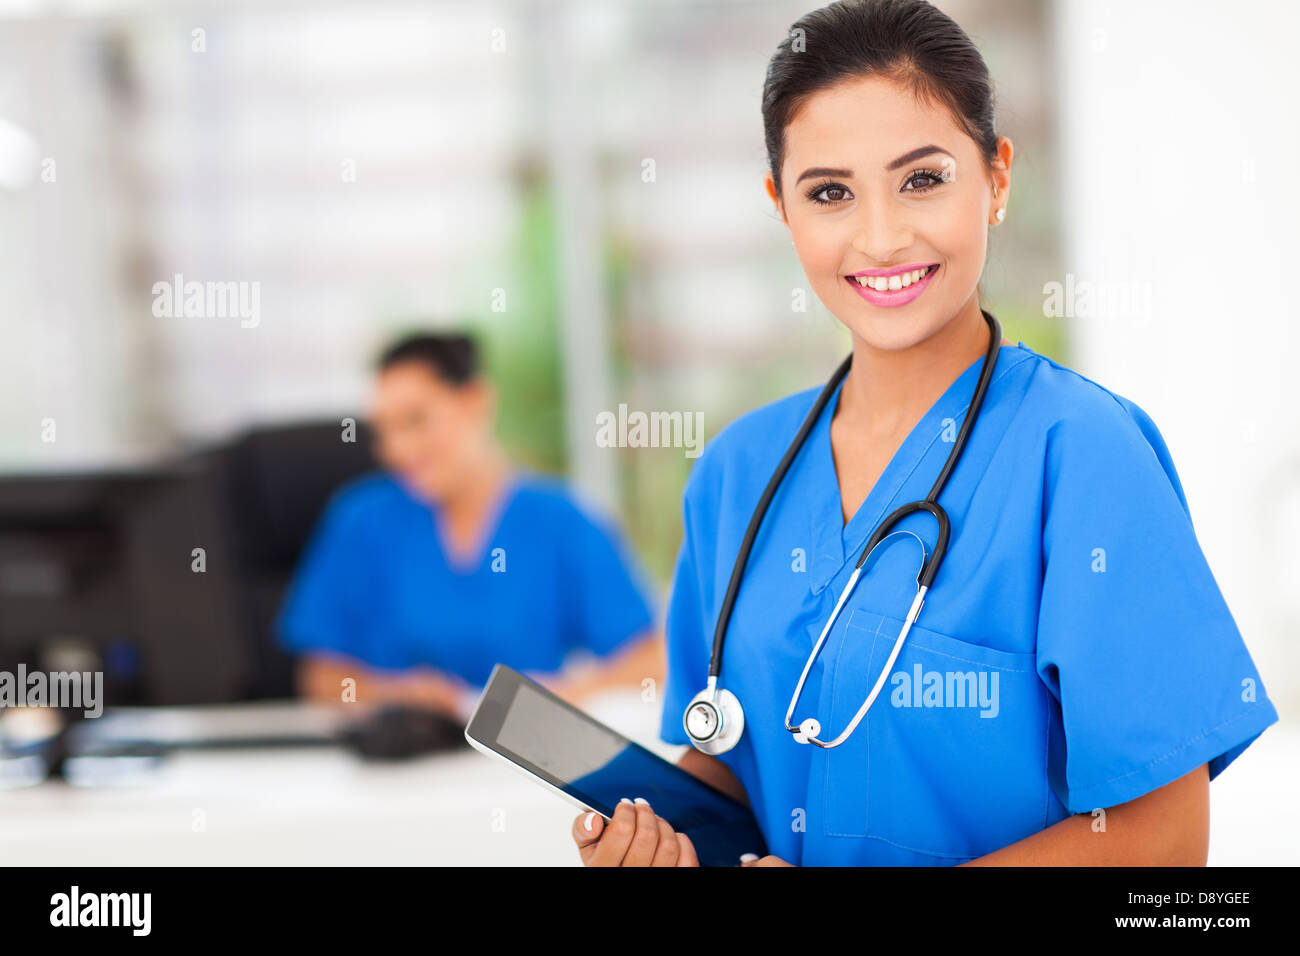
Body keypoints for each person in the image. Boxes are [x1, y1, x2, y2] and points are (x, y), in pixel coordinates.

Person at [570, 0, 1278, 866]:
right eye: (830, 192)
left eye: (922, 178)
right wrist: (660, 841)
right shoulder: (736, 474)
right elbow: (735, 761)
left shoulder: (1085, 454)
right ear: (781, 208)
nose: (880, 236)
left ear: (999, 179)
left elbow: (1162, 844)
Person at [277, 331, 662, 721]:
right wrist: (394, 694)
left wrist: (563, 695)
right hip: (399, 761)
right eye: (384, 430)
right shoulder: (361, 521)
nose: (397, 450)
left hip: (518, 761)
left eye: (415, 421)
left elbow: (652, 662)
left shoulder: (561, 522)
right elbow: (320, 678)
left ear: (475, 402)